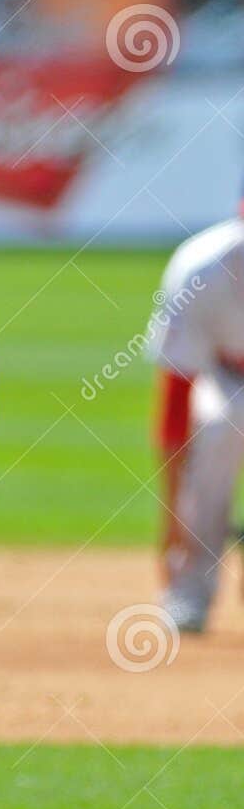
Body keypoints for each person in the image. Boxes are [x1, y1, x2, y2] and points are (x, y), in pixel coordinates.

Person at [149, 208, 244, 633]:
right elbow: (176, 395)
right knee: (221, 426)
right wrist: (170, 519)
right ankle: (189, 589)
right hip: (223, 376)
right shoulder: (201, 267)